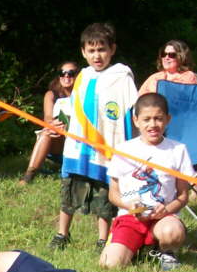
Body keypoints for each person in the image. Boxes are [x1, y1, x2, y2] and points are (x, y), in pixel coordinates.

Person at [51, 23, 138, 251]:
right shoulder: (83, 76)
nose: (97, 55)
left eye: (102, 49)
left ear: (112, 49)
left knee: (103, 192)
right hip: (79, 146)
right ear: (83, 52)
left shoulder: (121, 76)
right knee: (70, 189)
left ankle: (103, 238)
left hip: (106, 145)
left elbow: (131, 110)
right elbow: (74, 108)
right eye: (91, 50)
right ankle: (62, 234)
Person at [99, 93, 194, 271]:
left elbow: (183, 196)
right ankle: (136, 246)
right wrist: (130, 206)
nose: (152, 125)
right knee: (109, 264)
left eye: (158, 119)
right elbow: (113, 194)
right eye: (146, 119)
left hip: (163, 218)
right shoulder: (123, 149)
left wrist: (166, 209)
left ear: (168, 119)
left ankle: (165, 250)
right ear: (136, 121)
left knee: (172, 233)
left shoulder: (178, 150)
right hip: (130, 217)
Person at [19, 61, 78, 185]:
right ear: (59, 76)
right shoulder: (51, 95)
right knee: (47, 132)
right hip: (58, 138)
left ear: (77, 76)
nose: (66, 76)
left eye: (71, 73)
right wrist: (56, 124)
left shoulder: (83, 95)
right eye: (62, 73)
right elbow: (48, 118)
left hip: (78, 140)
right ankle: (28, 176)